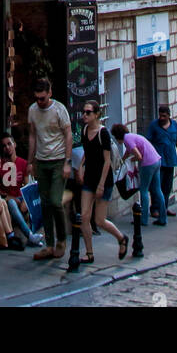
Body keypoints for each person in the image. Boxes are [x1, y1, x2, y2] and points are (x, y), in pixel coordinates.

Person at [26, 78, 72, 260]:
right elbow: (32, 136)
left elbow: (68, 135)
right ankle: (49, 244)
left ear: (50, 93)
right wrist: (30, 161)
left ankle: (61, 240)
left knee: (55, 201)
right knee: (44, 203)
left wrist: (67, 161)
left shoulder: (60, 110)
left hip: (58, 159)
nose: (40, 102)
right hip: (42, 160)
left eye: (43, 98)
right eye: (37, 98)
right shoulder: (32, 111)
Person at [78, 100, 128, 262]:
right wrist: (80, 166)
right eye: (84, 112)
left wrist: (101, 185)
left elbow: (107, 161)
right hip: (89, 178)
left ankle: (121, 238)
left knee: (99, 220)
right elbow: (87, 151)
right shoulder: (85, 130)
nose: (84, 115)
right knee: (85, 216)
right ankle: (89, 253)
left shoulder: (103, 133)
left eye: (88, 112)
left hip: (103, 180)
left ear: (97, 114)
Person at [111, 123, 164, 225]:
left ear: (118, 136)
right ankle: (163, 218)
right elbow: (128, 151)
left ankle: (143, 220)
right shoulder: (131, 137)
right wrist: (123, 159)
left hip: (148, 164)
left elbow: (139, 156)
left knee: (143, 190)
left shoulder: (127, 140)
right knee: (157, 190)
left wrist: (131, 160)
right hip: (157, 160)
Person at [0, 132, 43, 247]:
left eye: (9, 144)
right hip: (8, 199)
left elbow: (28, 188)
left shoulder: (23, 163)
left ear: (14, 144)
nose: (7, 147)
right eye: (4, 146)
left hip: (21, 197)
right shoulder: (0, 164)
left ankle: (32, 234)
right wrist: (9, 198)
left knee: (24, 204)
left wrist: (25, 201)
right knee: (12, 203)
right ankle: (30, 235)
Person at [148, 104, 177, 217]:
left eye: (164, 116)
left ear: (168, 115)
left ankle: (164, 207)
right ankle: (155, 209)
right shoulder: (154, 125)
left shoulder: (174, 125)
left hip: (170, 160)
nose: (162, 118)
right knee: (156, 186)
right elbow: (148, 142)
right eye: (160, 116)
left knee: (167, 187)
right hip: (158, 161)